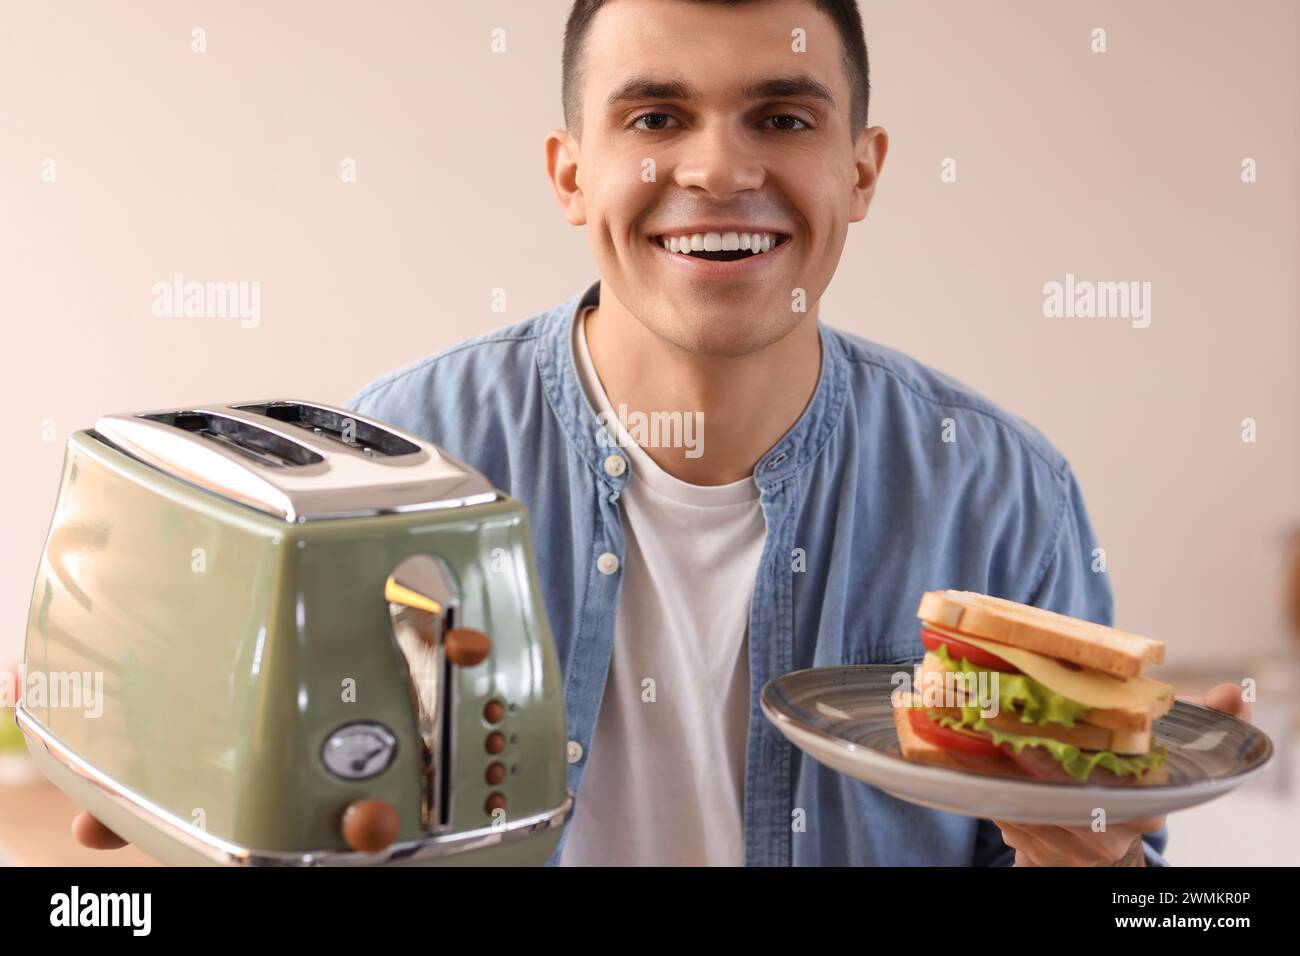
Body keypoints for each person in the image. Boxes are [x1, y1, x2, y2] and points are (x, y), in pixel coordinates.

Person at [73, 0, 1250, 866]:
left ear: (862, 169)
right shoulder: (392, 462)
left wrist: (1081, 859)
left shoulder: (1000, 489)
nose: (717, 167)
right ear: (570, 172)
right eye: (655, 115)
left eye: (781, 116)